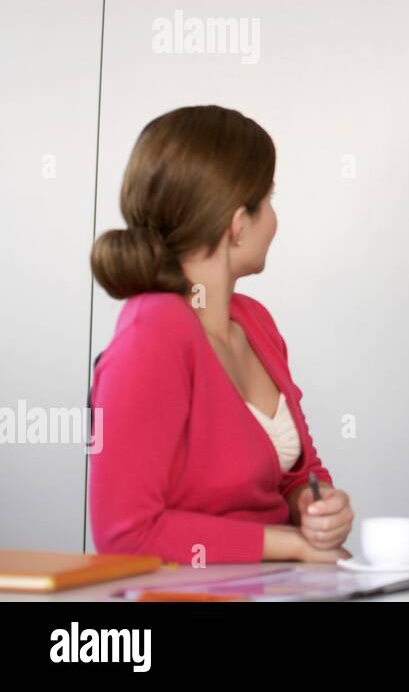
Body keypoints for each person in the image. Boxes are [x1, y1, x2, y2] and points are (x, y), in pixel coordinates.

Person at [89, 105, 353, 564]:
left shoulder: (255, 323)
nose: (274, 218)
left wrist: (313, 506)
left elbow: (296, 472)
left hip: (276, 587)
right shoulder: (153, 332)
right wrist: (290, 545)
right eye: (268, 200)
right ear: (237, 223)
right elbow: (124, 533)